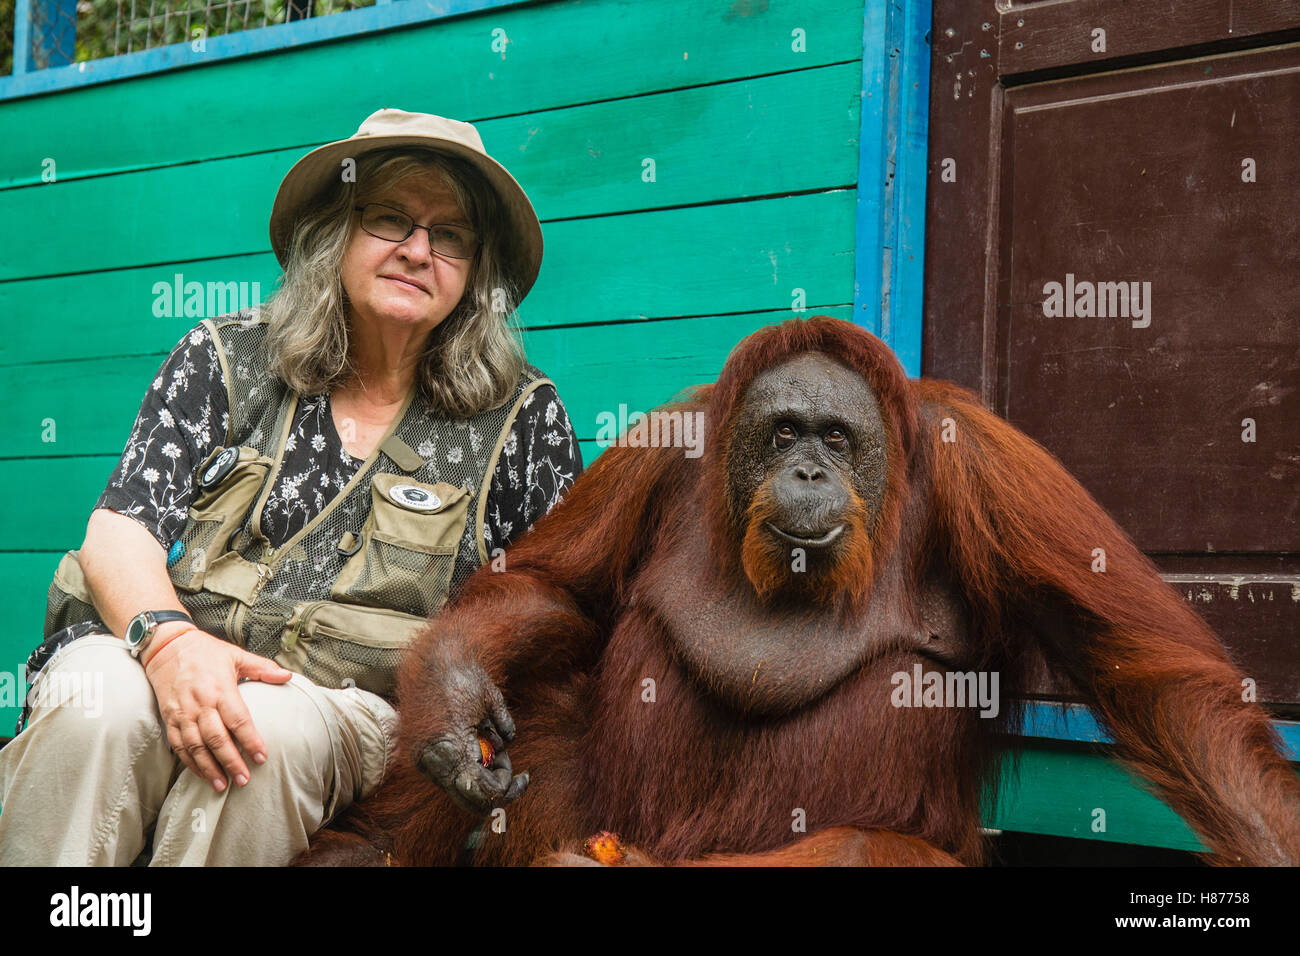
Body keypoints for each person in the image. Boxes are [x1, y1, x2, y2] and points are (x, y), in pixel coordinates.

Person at [0, 109, 582, 866]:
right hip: (169, 642)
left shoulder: (521, 418)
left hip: (349, 711)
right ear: (334, 233)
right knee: (95, 706)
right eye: (390, 220)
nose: (417, 250)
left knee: (258, 742)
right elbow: (121, 530)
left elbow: (558, 607)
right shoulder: (227, 355)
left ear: (476, 275)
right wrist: (170, 644)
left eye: (451, 237)